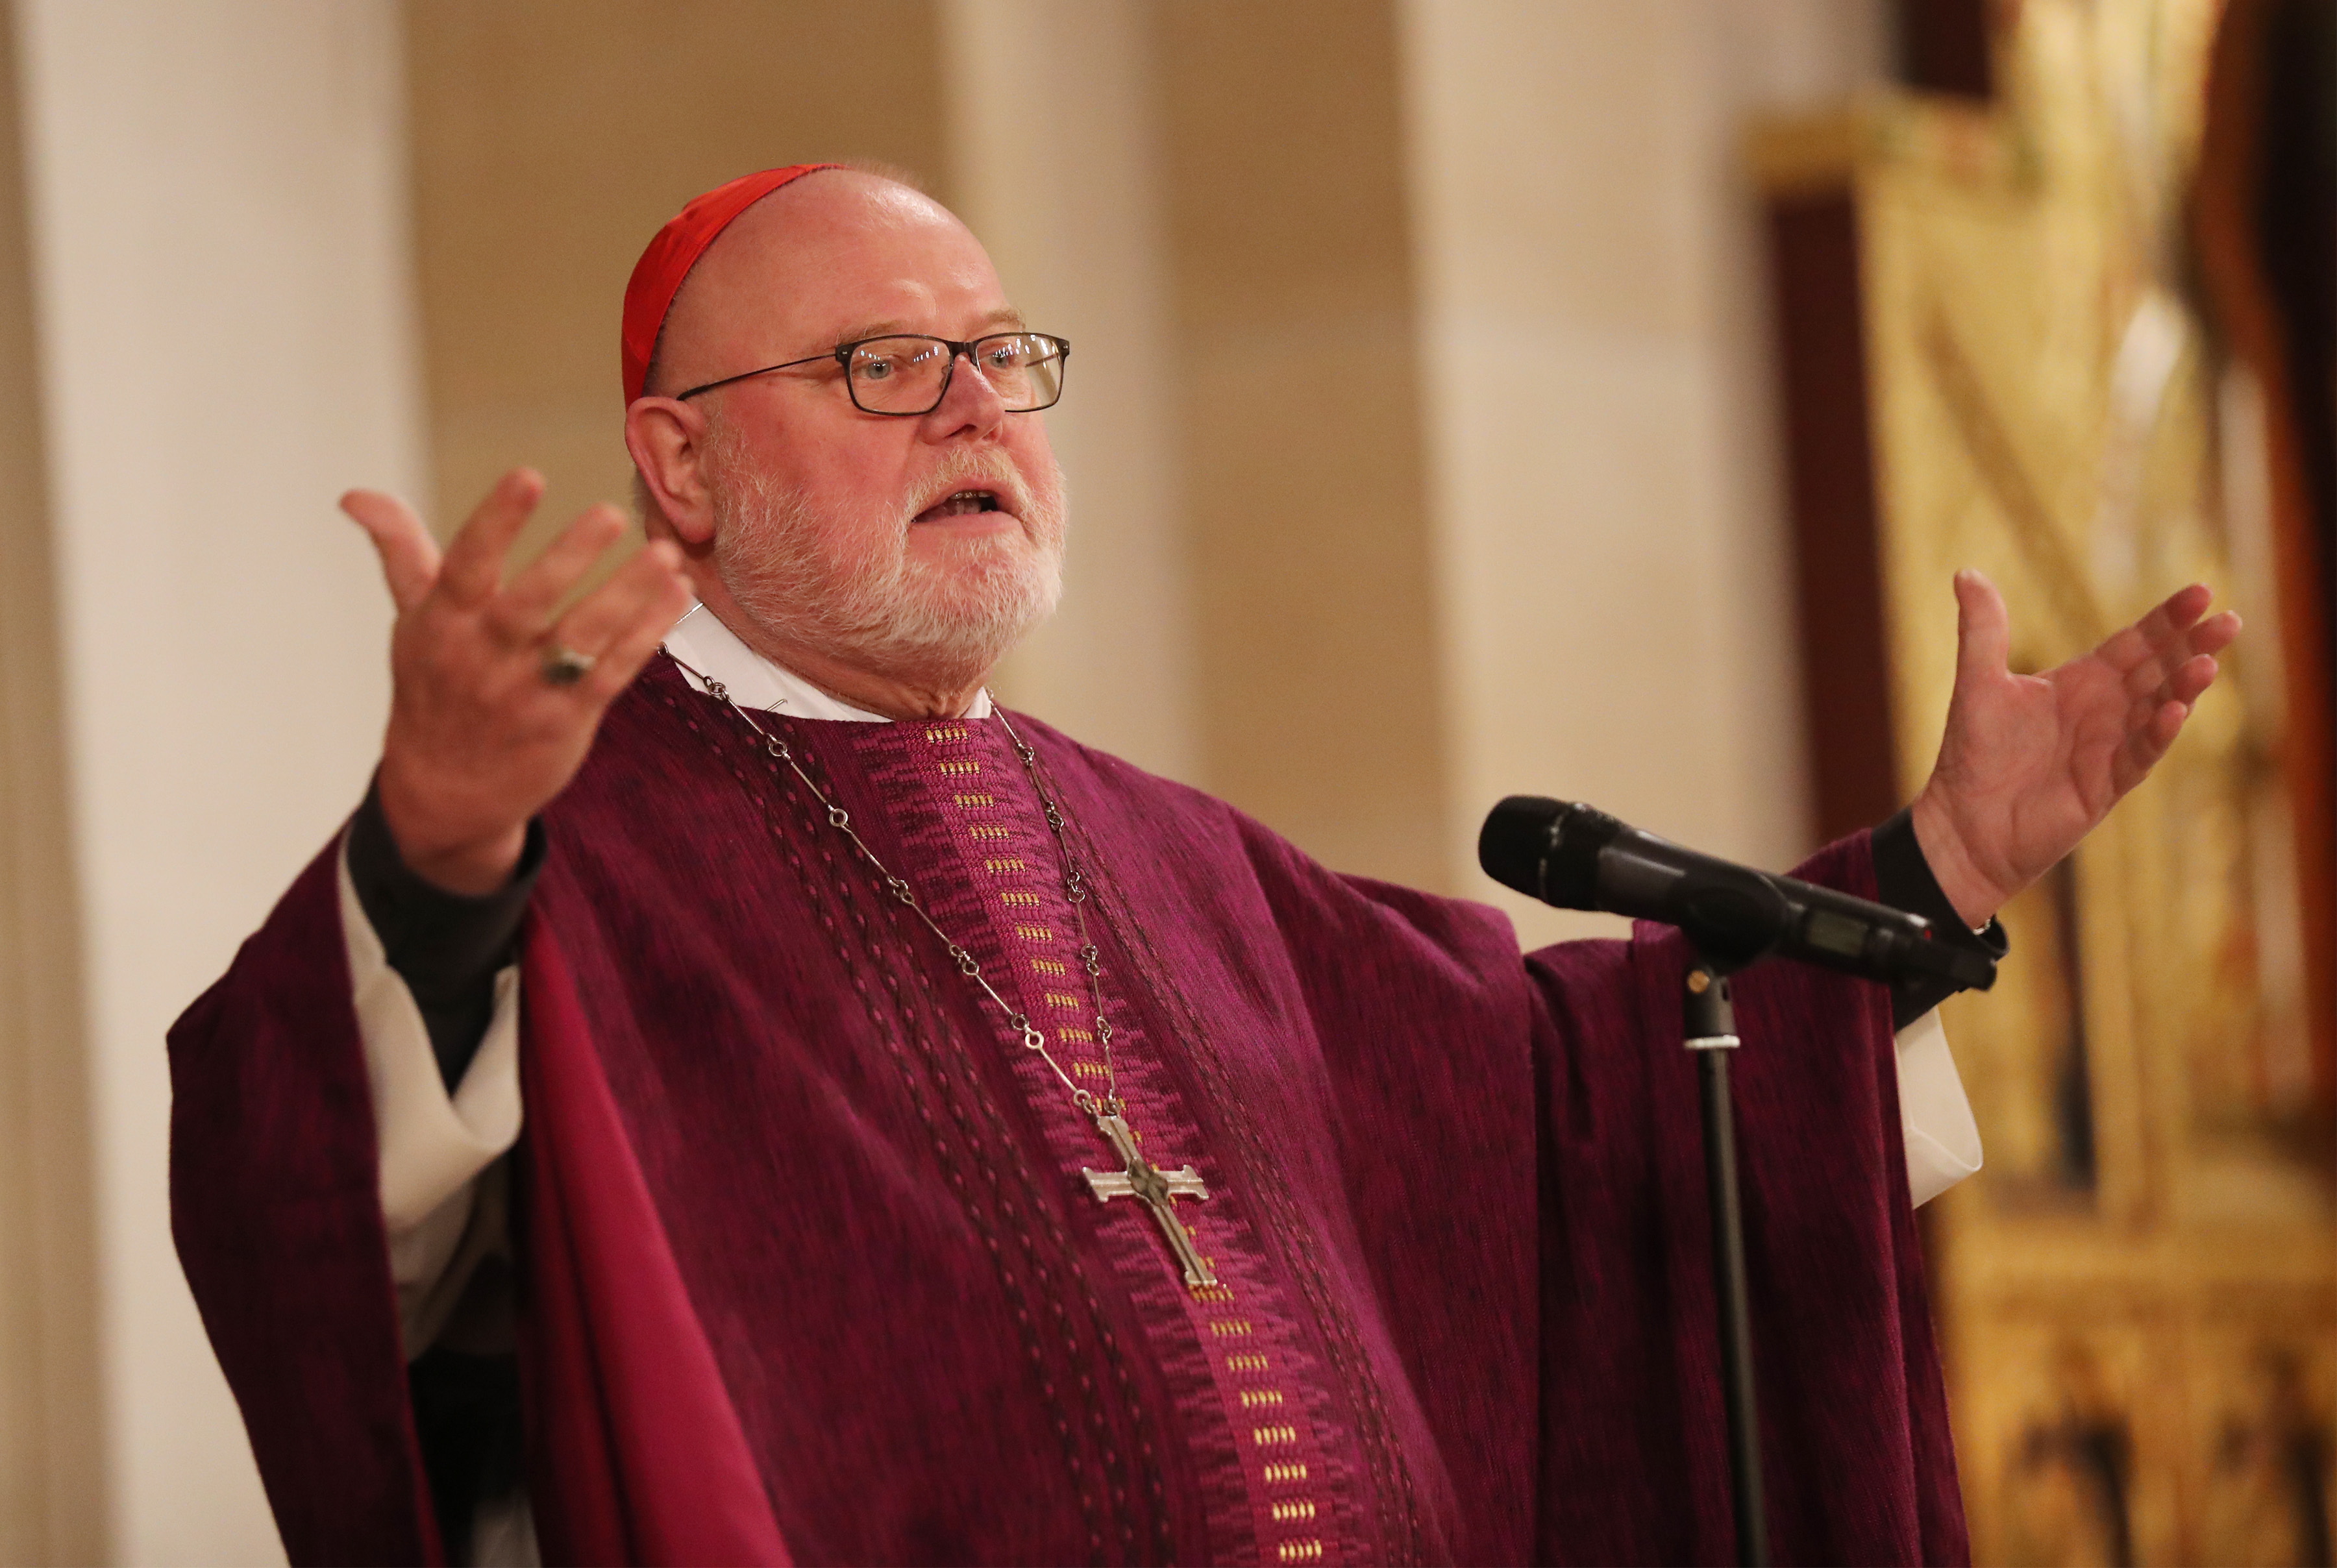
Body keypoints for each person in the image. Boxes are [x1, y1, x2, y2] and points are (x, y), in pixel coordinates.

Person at [169, 164, 2239, 1568]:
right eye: (882, 366)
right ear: (680, 462)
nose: (974, 401)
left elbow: (1587, 1131)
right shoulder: (588, 846)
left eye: (1001, 354)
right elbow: (346, 1252)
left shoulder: (1175, 866)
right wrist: (439, 852)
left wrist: (1942, 862)